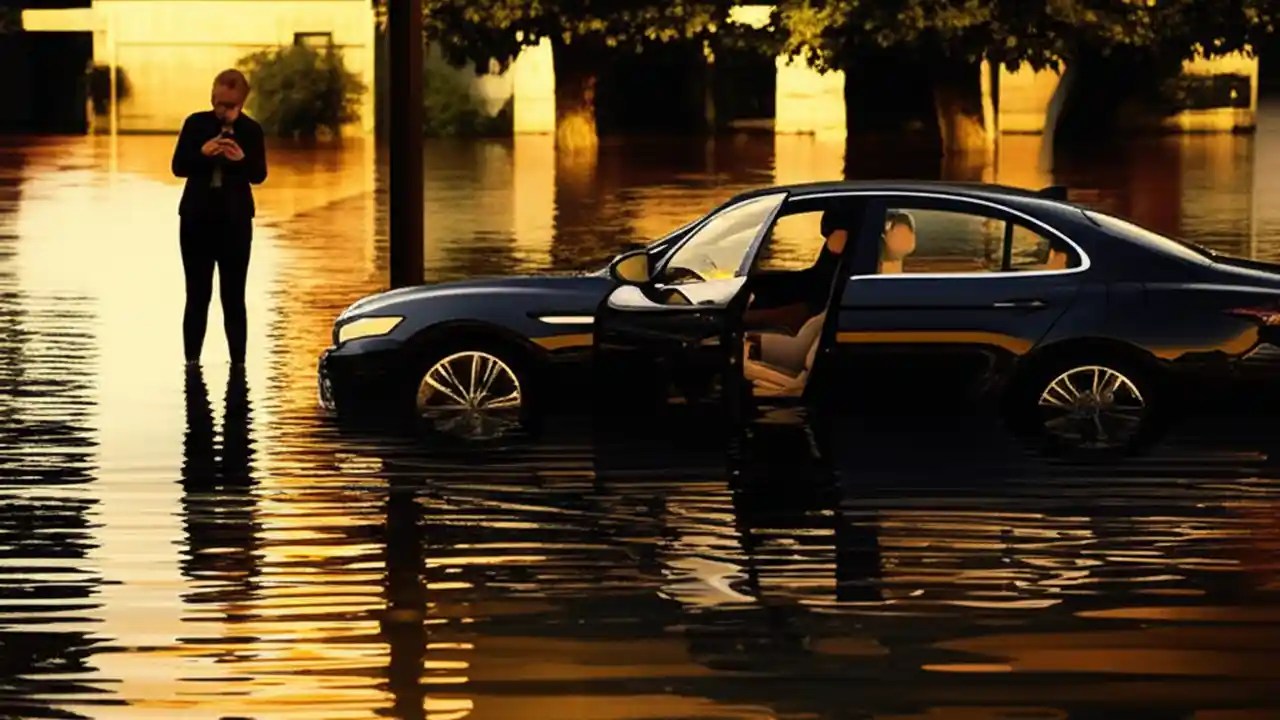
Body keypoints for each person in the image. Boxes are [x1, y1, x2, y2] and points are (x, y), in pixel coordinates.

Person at [172, 68, 268, 367]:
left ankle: (238, 365)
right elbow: (178, 166)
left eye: (229, 106)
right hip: (196, 220)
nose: (221, 111)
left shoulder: (251, 131)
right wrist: (203, 153)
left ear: (242, 103)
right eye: (217, 103)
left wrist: (240, 160)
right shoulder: (196, 124)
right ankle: (191, 363)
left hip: (235, 222)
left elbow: (259, 175)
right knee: (197, 295)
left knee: (234, 297)